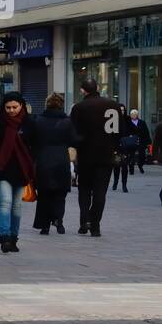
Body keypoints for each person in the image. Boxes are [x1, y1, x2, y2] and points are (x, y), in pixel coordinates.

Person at [0, 91, 37, 253]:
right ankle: (4, 238)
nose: (11, 110)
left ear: (21, 106)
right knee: (5, 201)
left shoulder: (29, 122)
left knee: (16, 206)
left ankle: (13, 238)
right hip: (2, 169)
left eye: (14, 107)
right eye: (8, 107)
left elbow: (36, 145)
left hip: (21, 170)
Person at [70, 77, 125, 237]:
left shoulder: (79, 107)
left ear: (82, 90)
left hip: (86, 155)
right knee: (100, 191)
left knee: (85, 189)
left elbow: (73, 133)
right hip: (107, 154)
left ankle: (85, 220)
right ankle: (95, 225)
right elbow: (121, 131)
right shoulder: (114, 106)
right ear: (98, 87)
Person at [32, 92, 76, 235]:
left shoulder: (38, 120)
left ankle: (44, 225)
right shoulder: (68, 122)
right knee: (60, 194)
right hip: (61, 160)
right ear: (61, 105)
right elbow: (74, 140)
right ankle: (58, 220)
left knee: (44, 194)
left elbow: (33, 141)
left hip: (44, 159)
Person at [127, 109, 151, 174]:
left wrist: (148, 141)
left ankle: (140, 165)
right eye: (132, 114)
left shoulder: (142, 122)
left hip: (141, 141)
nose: (134, 115)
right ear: (130, 115)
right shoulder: (128, 123)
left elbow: (146, 132)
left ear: (137, 115)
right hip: (131, 141)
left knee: (142, 155)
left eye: (135, 114)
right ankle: (131, 170)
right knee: (131, 155)